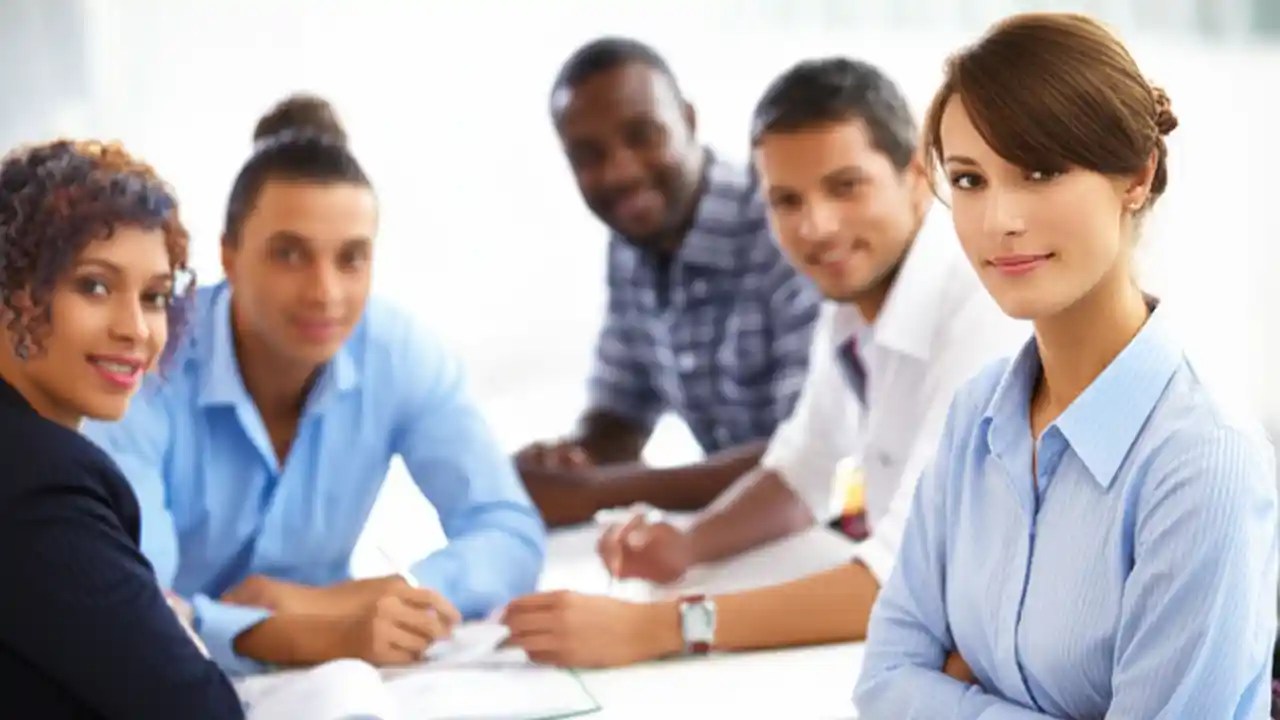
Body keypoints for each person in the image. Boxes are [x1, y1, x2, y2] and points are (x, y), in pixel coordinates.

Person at [500, 57, 1024, 668]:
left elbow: (913, 580)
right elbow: (800, 469)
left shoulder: (982, 304)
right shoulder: (851, 303)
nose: (816, 227)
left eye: (846, 187)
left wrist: (655, 627)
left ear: (916, 174)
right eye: (786, 200)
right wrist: (687, 544)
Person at [855, 13, 1278, 719]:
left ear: (1137, 175)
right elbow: (885, 680)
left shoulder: (1202, 462)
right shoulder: (977, 415)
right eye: (969, 179)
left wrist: (956, 690)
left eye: (1041, 171)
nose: (999, 220)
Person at [83, 95, 546, 675]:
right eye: (289, 255)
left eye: (351, 259)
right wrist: (297, 634)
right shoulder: (145, 359)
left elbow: (508, 532)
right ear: (229, 256)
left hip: (330, 686)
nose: (325, 292)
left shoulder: (396, 350)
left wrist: (370, 598)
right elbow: (131, 605)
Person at [515, 37, 822, 527]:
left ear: (689, 120)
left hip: (838, 535)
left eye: (642, 135)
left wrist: (594, 493)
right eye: (588, 156)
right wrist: (569, 463)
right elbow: (620, 415)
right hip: (742, 541)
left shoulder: (784, 225)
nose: (620, 172)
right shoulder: (631, 244)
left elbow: (810, 455)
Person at [0, 139, 243, 717]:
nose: (136, 329)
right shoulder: (39, 482)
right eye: (95, 286)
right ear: (9, 291)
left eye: (155, 297)